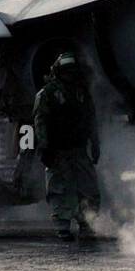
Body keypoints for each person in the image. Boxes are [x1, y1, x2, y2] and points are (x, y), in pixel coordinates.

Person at [32, 51, 101, 239]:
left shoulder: (81, 92)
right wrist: (44, 147)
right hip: (57, 150)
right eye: (66, 71)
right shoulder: (47, 94)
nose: (70, 74)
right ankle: (63, 226)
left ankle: (87, 223)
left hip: (78, 148)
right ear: (58, 71)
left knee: (88, 188)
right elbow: (41, 122)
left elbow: (91, 119)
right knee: (59, 188)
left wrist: (95, 143)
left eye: (72, 70)